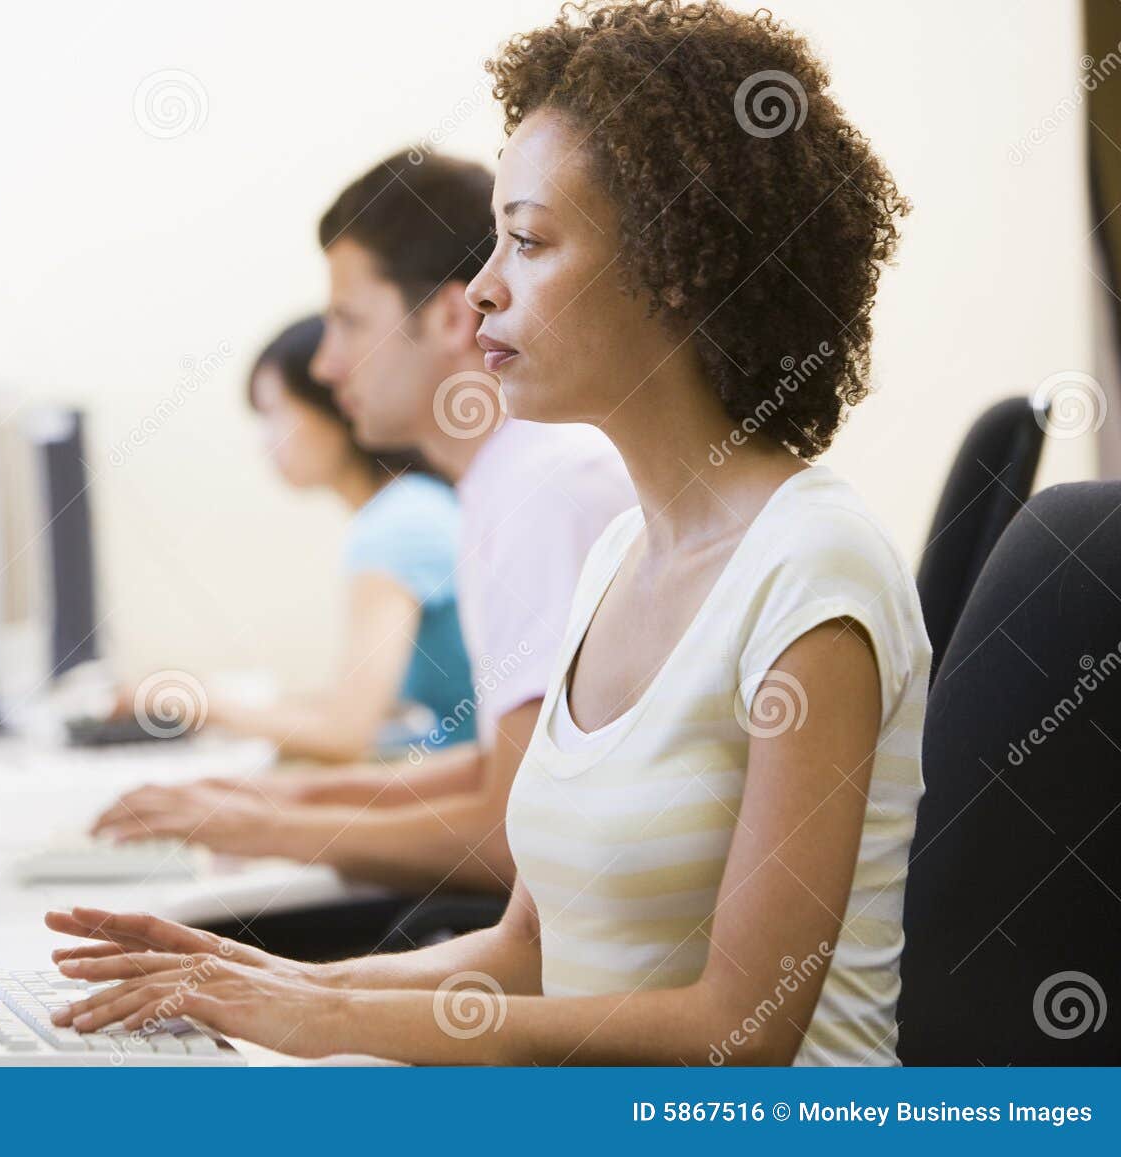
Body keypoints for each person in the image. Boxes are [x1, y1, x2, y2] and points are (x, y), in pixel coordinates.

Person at [50, 0, 927, 1065]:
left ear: (677, 268)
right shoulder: (617, 556)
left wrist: (325, 1017)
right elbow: (525, 950)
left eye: (530, 242)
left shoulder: (812, 569)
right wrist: (261, 984)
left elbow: (734, 1034)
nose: (480, 290)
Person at [92, 150, 636, 895]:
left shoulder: (540, 484)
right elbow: (504, 770)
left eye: (347, 323)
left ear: (449, 317)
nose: (324, 366)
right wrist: (276, 798)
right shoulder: (500, 476)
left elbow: (513, 836)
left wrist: (269, 828)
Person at [133, 314, 476, 761]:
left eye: (275, 413)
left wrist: (202, 706)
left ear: (337, 402)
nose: (265, 443)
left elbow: (345, 734)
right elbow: (367, 704)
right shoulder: (413, 504)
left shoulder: (397, 526)